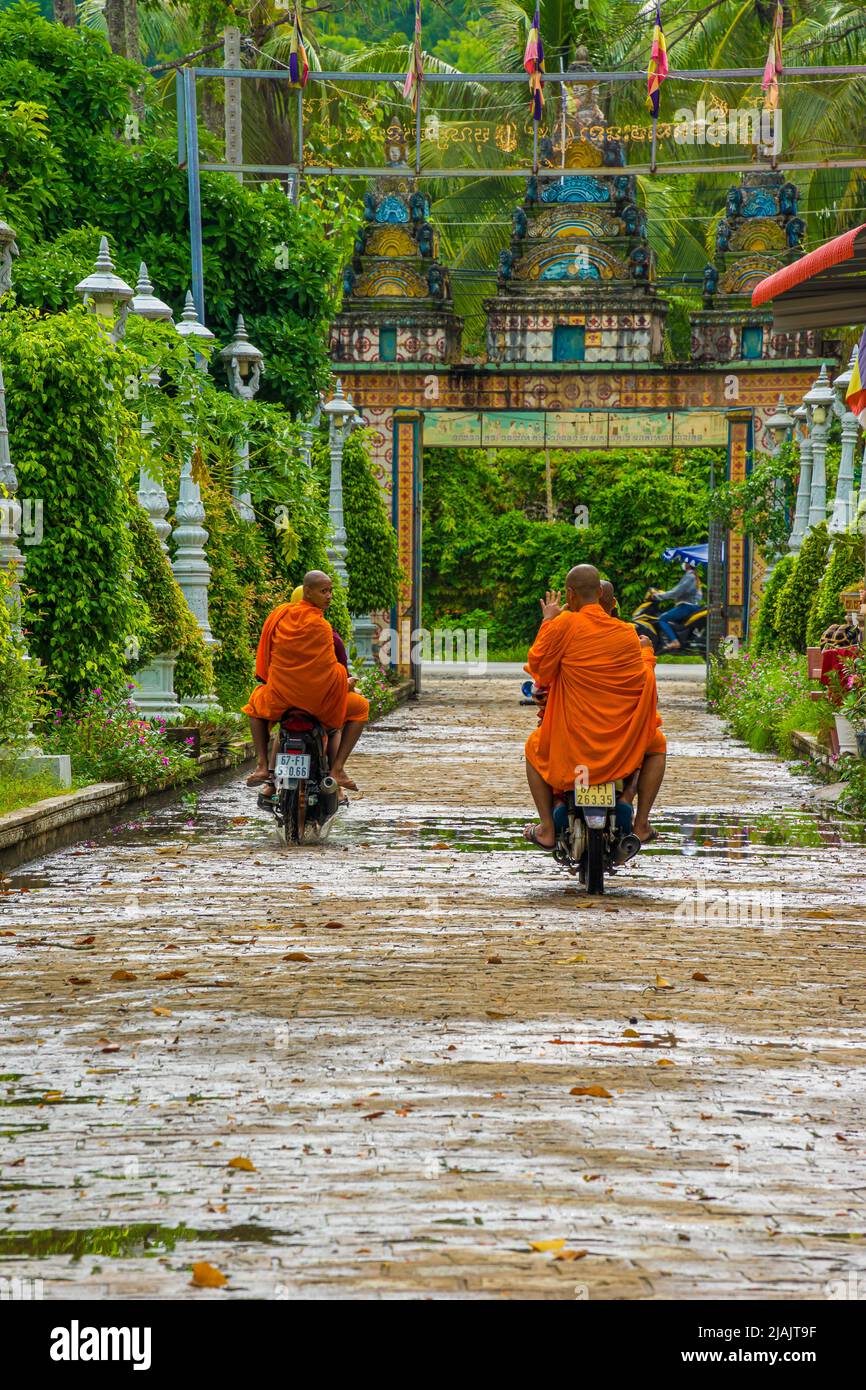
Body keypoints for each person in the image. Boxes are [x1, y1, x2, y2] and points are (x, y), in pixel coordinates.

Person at [523, 564, 666, 850]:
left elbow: (540, 668)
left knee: (533, 747)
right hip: (618, 742)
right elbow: (642, 681)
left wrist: (548, 620)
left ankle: (547, 830)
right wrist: (647, 654)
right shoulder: (627, 633)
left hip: (573, 742)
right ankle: (641, 824)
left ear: (569, 594)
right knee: (657, 744)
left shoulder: (564, 624)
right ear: (601, 593)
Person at [243, 570, 369, 794]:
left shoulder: (279, 615)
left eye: (330, 591)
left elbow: (267, 653)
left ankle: (263, 766)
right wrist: (346, 683)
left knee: (254, 706)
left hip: (280, 699)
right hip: (317, 703)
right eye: (324, 591)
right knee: (361, 708)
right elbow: (332, 672)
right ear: (307, 592)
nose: (329, 596)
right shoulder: (322, 627)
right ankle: (338, 769)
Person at [654, 560, 702, 652]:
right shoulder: (694, 576)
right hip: (692, 605)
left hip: (687, 606)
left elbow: (677, 591)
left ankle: (674, 641)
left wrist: (660, 596)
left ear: (688, 565)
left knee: (662, 619)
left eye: (685, 562)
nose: (683, 564)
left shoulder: (689, 576)